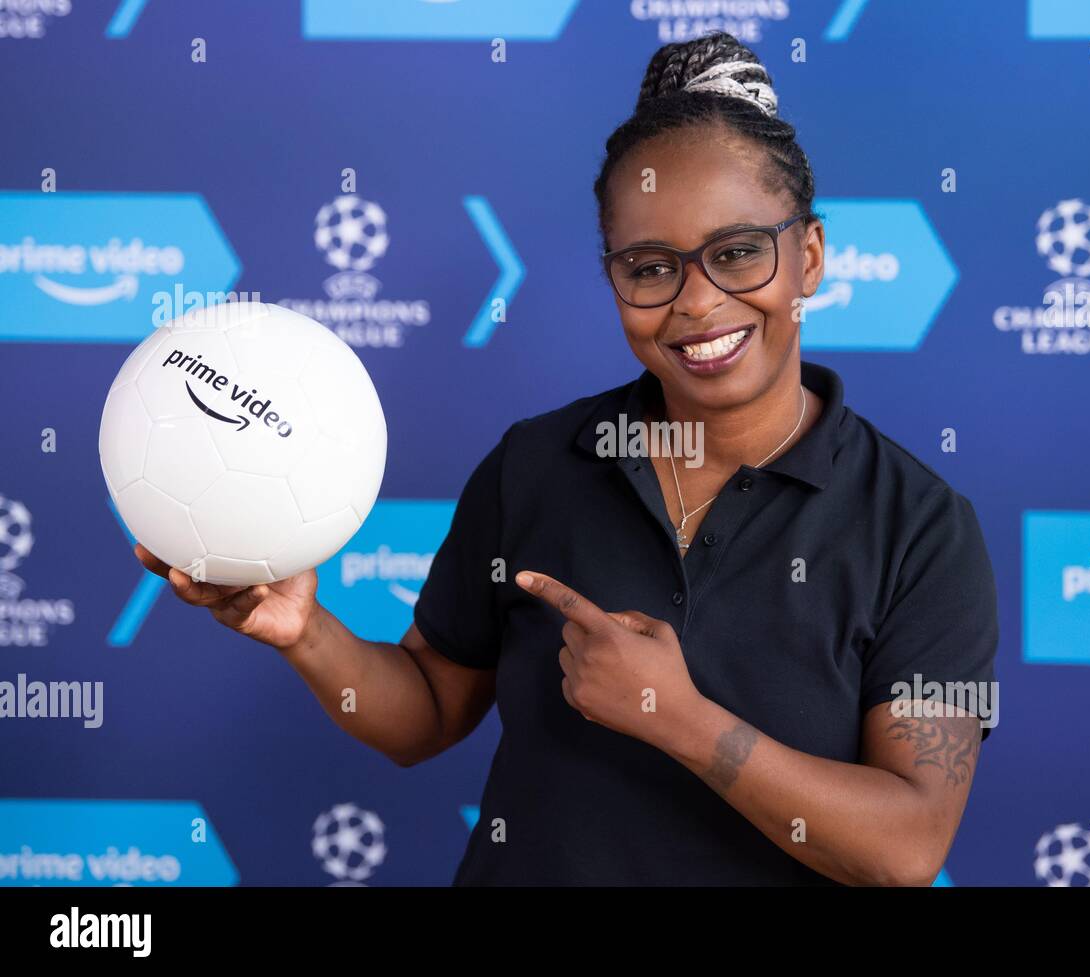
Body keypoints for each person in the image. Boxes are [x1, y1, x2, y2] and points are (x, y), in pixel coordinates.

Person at [135, 31, 998, 886]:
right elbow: (426, 712)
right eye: (650, 268)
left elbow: (905, 846)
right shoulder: (537, 464)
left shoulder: (920, 526)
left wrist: (678, 717)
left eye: (738, 252)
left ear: (807, 257)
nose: (698, 302)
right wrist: (305, 631)